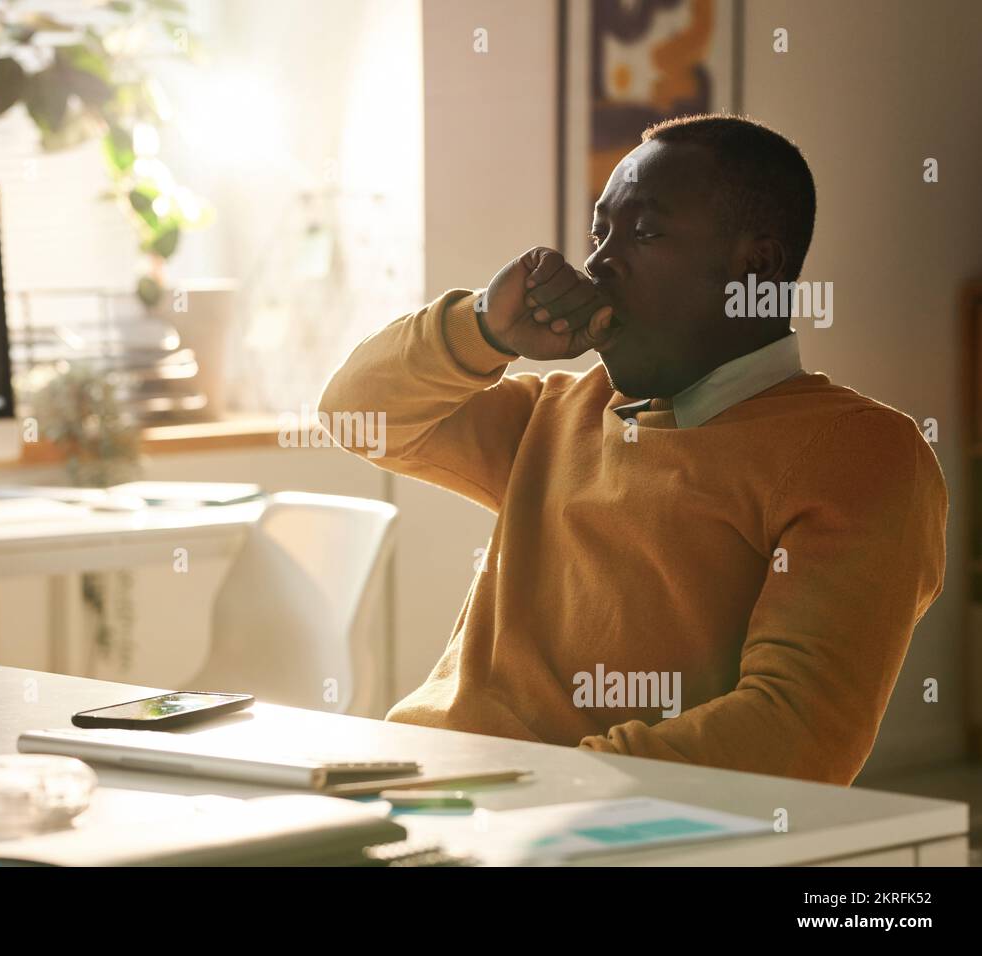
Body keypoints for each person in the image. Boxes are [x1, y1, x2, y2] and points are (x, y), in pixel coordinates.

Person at [318, 114, 947, 785]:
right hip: (412, 779)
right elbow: (353, 413)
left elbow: (795, 731)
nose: (598, 264)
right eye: (600, 233)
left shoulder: (858, 452)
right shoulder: (555, 411)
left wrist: (537, 795)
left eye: (644, 233)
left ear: (756, 266)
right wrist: (482, 329)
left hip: (560, 817)